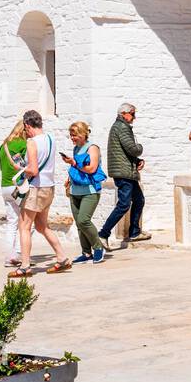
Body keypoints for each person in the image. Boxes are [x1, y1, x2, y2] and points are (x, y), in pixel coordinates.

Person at [9, 110, 72, 277]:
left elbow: (33, 170)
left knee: (24, 226)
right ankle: (62, 257)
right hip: (49, 187)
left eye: (25, 129)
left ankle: (25, 266)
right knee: (42, 226)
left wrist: (20, 168)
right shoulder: (51, 139)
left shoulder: (32, 142)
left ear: (28, 125)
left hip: (35, 188)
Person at [98, 102, 148, 246]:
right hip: (124, 173)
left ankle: (135, 232)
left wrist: (137, 160)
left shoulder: (118, 127)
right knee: (124, 204)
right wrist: (140, 148)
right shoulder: (122, 127)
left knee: (139, 200)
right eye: (132, 114)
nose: (134, 117)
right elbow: (132, 149)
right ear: (124, 114)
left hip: (125, 171)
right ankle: (103, 234)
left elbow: (123, 152)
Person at [62, 120, 107, 264]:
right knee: (78, 223)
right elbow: (77, 169)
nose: (72, 138)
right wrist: (69, 178)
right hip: (75, 190)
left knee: (83, 220)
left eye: (74, 135)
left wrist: (74, 163)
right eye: (71, 135)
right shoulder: (76, 149)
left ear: (83, 134)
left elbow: (92, 169)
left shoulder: (92, 148)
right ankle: (86, 253)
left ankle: (98, 247)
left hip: (90, 191)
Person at [0, 119, 29, 267]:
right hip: (18, 187)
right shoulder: (23, 145)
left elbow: (2, 168)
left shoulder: (3, 146)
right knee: (29, 221)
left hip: (5, 186)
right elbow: (24, 167)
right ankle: (17, 253)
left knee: (11, 223)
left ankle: (9, 256)